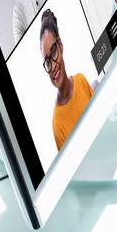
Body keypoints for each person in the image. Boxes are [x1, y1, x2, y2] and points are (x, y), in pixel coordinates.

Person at [39, 9, 93, 150]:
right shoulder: (57, 122)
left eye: (54, 52)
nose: (53, 66)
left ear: (60, 46)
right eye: (47, 62)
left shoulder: (81, 80)